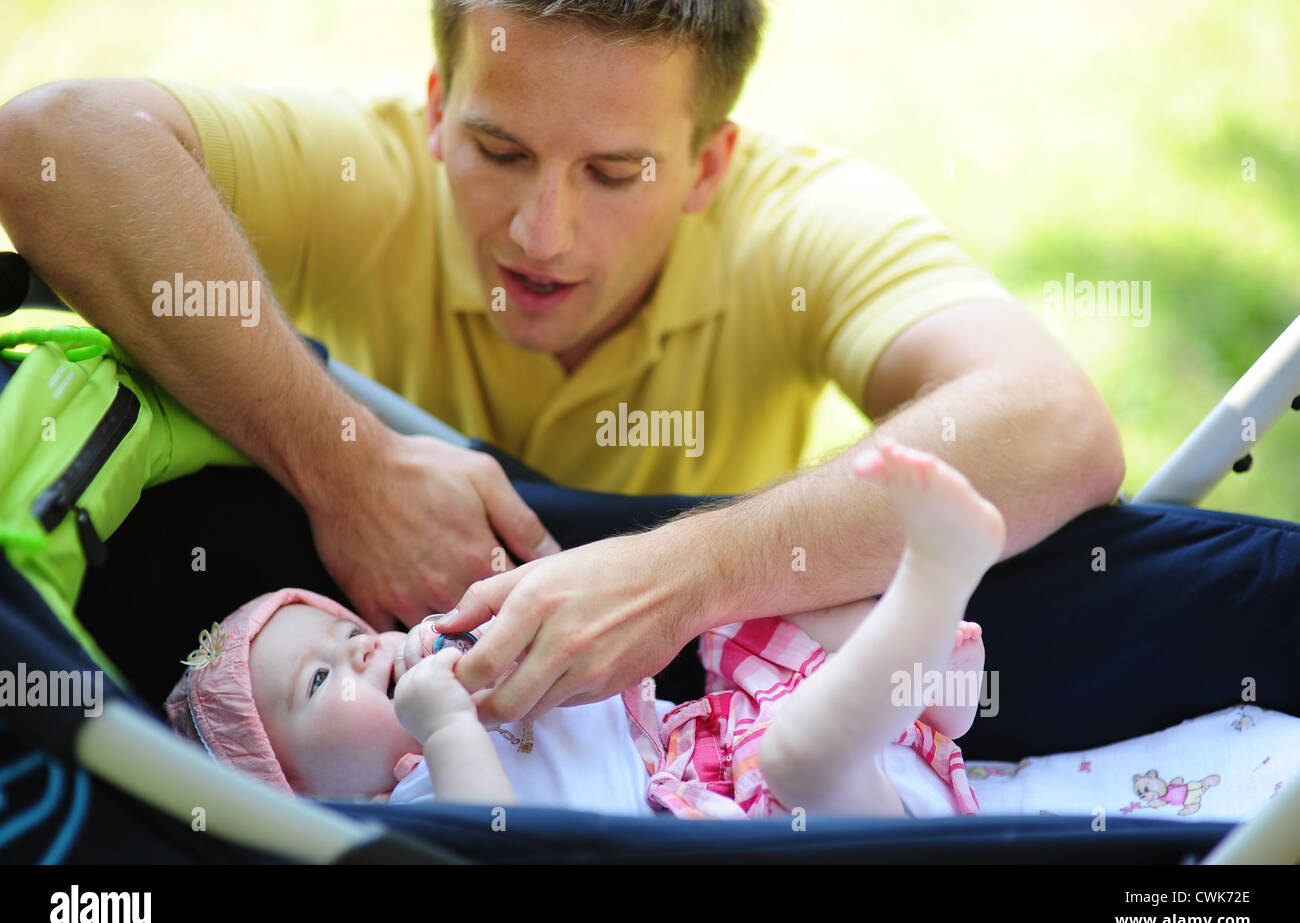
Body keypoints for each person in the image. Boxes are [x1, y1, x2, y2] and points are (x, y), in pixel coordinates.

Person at [0, 1, 1124, 731]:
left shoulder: (798, 217)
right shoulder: (373, 169)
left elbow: (1052, 421)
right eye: (500, 152)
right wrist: (348, 471)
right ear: (438, 114)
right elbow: (51, 145)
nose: (541, 232)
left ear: (705, 165)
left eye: (614, 172)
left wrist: (678, 574)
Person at [166, 437, 1003, 818]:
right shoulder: (418, 811)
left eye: (347, 632)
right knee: (802, 755)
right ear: (316, 796)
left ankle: (926, 692)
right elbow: (497, 848)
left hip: (735, 763)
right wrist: (451, 727)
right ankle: (933, 584)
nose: (361, 649)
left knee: (737, 632)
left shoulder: (468, 686)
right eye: (319, 680)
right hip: (808, 825)